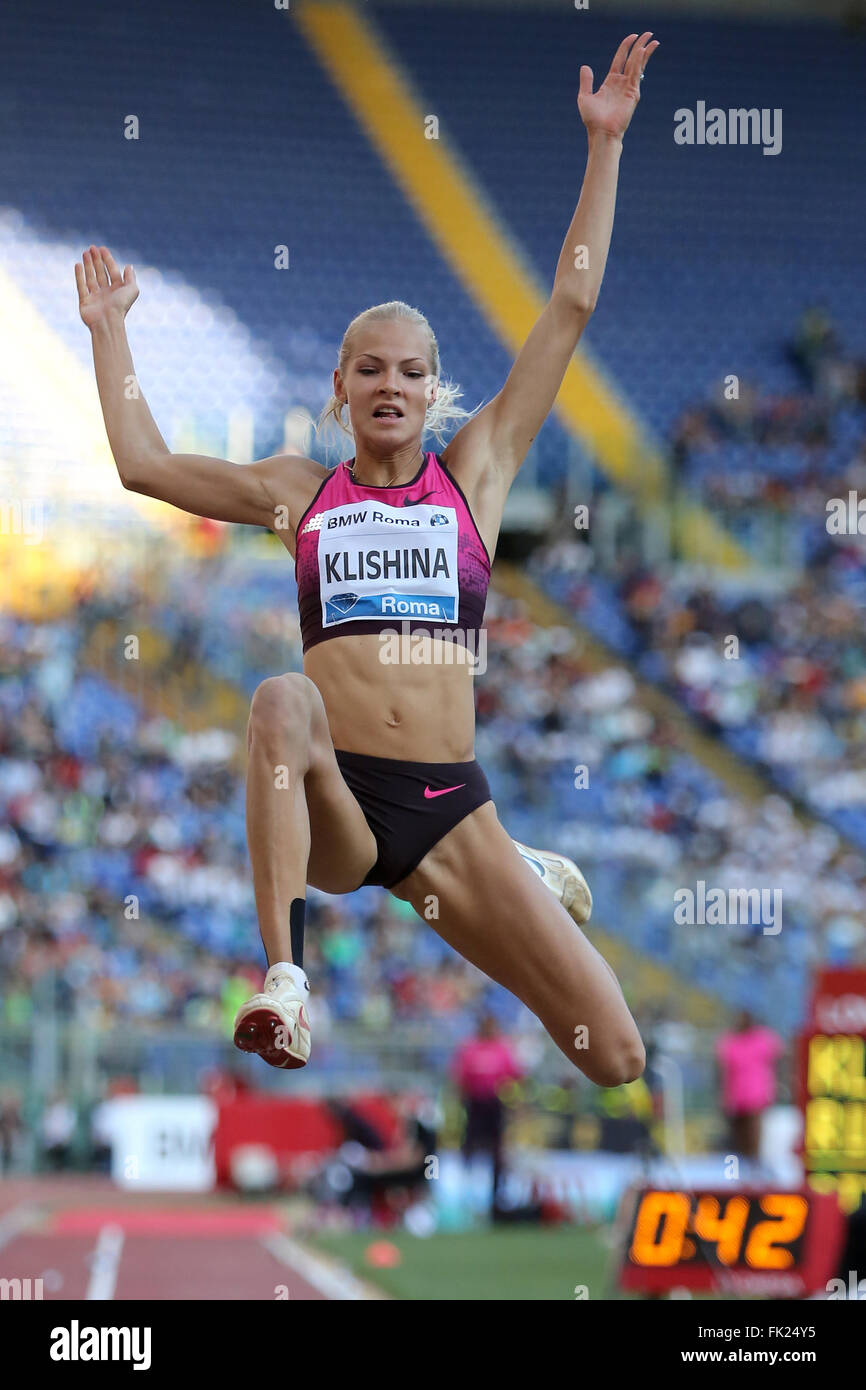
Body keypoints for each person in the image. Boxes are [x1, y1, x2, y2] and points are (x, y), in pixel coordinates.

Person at [76, 32, 658, 1084]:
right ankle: (283, 982)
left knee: (614, 1054)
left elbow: (569, 305)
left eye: (412, 371)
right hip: (342, 800)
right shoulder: (298, 491)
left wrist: (603, 146)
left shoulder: (473, 474)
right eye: (368, 369)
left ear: (434, 391)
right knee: (276, 699)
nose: (390, 384)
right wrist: (109, 332)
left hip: (448, 811)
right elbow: (144, 464)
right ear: (337, 387)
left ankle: (515, 861)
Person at [452, 1012, 523, 1214]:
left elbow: (515, 1079)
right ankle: (467, 1195)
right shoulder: (469, 1049)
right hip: (474, 1105)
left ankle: (496, 1198)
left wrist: (515, 1106)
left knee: (497, 1152)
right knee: (470, 1149)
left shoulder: (502, 1049)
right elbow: (460, 1080)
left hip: (494, 1105)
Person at [715, 1009, 785, 1161]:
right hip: (736, 1095)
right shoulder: (730, 1042)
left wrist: (777, 1085)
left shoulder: (763, 1039)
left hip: (756, 1094)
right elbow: (722, 1070)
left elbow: (779, 1060)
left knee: (754, 1132)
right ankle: (740, 1168)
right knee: (738, 1134)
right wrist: (722, 1095)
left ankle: (754, 1165)